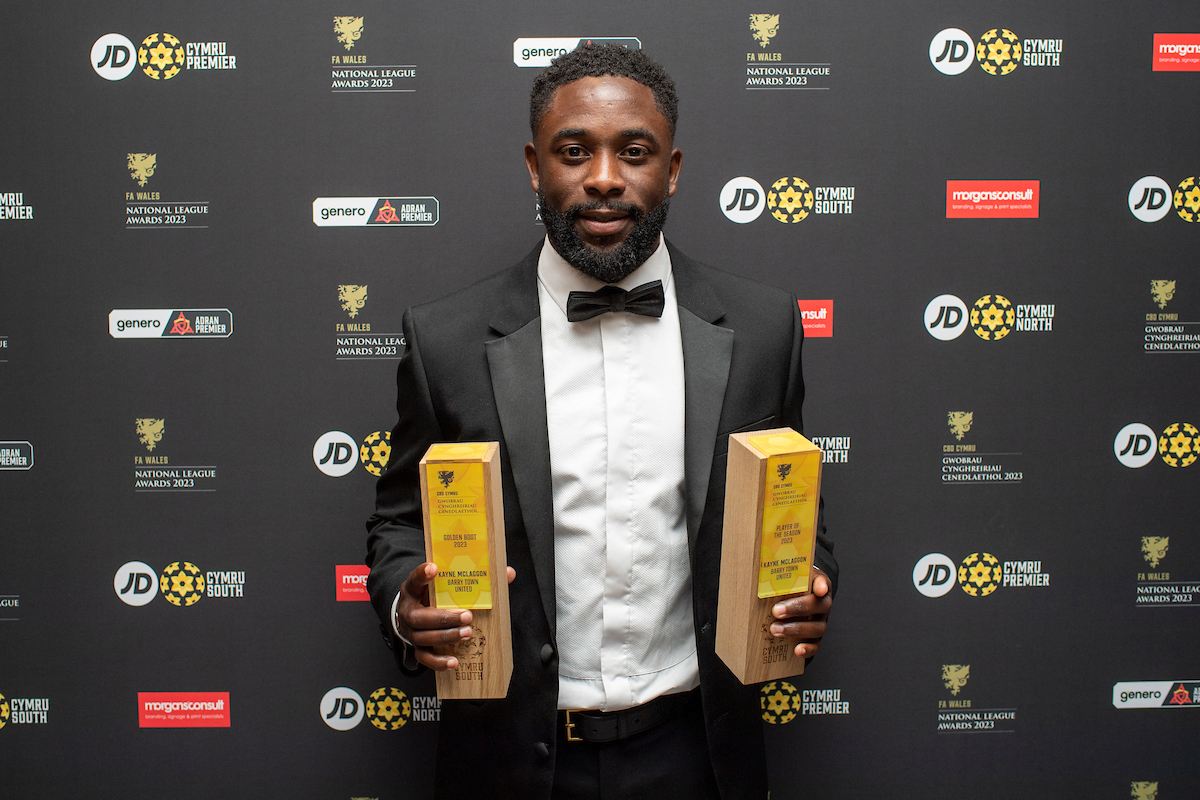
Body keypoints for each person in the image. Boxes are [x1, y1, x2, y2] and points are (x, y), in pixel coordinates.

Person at [366, 43, 837, 799]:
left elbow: (801, 516)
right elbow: (397, 523)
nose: (606, 178)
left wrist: (809, 585)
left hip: (698, 755)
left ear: (672, 170)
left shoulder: (762, 328)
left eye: (635, 152)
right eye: (574, 151)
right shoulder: (444, 340)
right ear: (535, 166)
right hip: (512, 761)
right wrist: (405, 603)